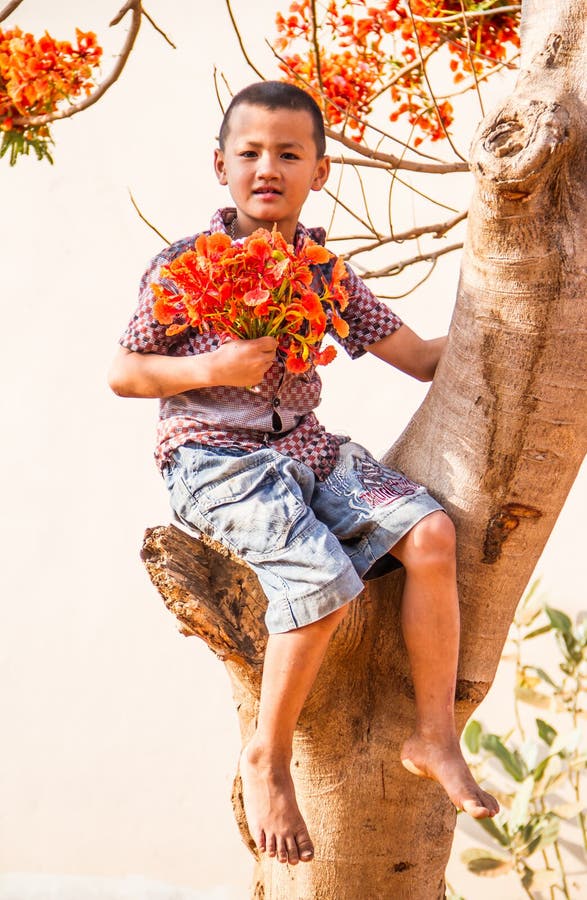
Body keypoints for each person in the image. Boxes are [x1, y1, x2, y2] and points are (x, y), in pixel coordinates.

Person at [109, 80, 498, 867]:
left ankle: (432, 734)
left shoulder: (323, 273)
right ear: (219, 165)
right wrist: (212, 364)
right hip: (216, 458)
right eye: (250, 152)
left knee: (428, 535)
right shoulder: (185, 266)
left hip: (307, 449)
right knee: (318, 581)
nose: (267, 167)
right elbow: (124, 372)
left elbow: (420, 358)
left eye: (289, 153)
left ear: (319, 171)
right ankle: (267, 756)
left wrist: (504, 298)